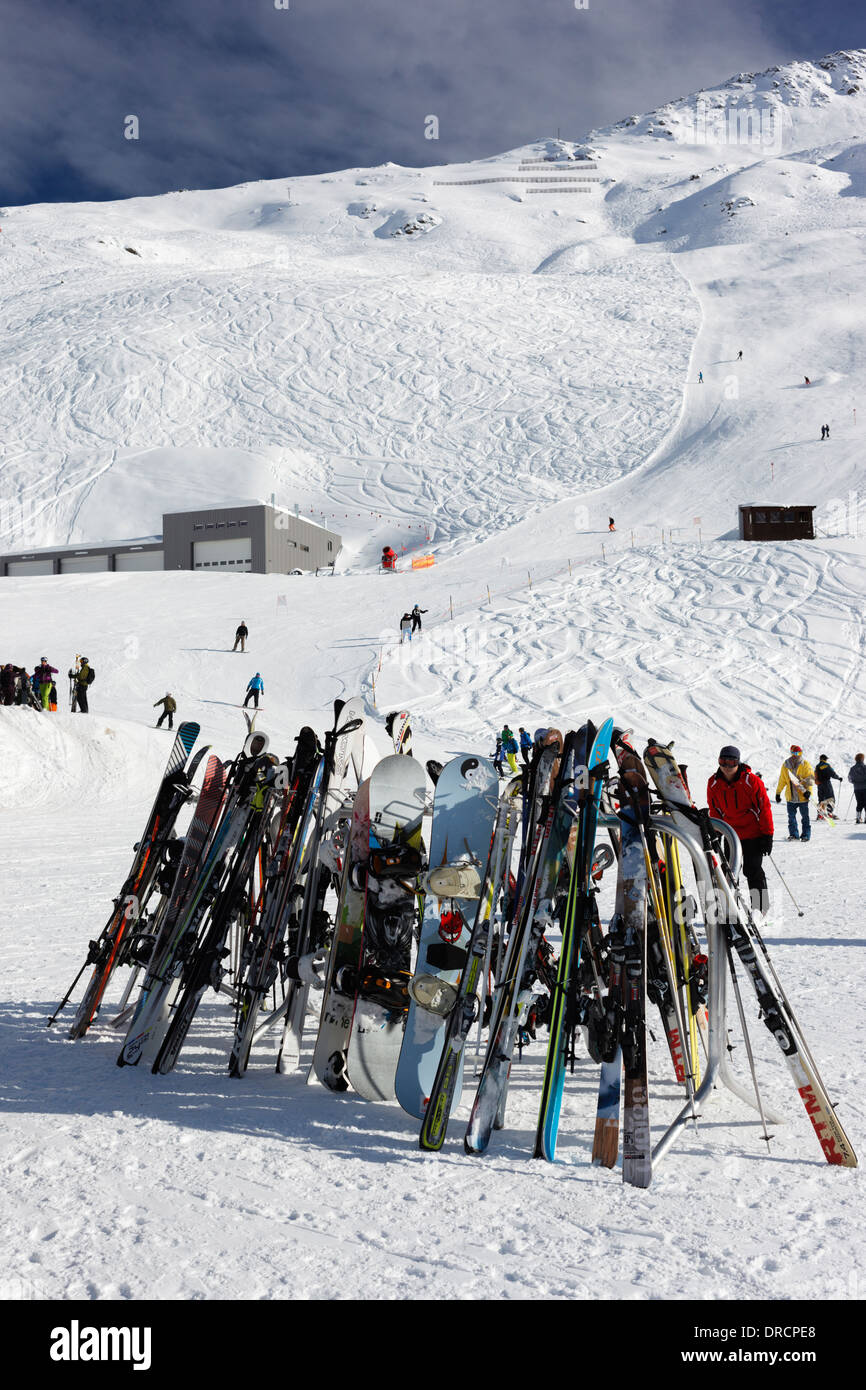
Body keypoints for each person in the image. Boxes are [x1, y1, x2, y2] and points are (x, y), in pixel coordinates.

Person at [707, 745, 774, 914]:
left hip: (753, 834)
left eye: (731, 762)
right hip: (731, 834)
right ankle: (730, 910)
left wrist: (767, 835)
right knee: (729, 872)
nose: (727, 767)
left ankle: (760, 909)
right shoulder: (713, 783)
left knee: (752, 870)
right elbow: (714, 809)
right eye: (723, 761)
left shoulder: (751, 781)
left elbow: (763, 808)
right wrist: (716, 831)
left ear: (738, 763)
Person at [775, 744, 814, 841]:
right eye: (795, 753)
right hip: (790, 797)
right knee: (791, 818)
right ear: (791, 753)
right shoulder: (786, 765)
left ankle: (805, 835)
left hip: (802, 797)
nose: (797, 755)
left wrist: (808, 792)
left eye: (799, 753)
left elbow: (810, 779)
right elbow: (782, 780)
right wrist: (778, 793)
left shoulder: (805, 764)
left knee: (805, 818)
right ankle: (794, 835)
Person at [849, 753, 866, 824]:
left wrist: (854, 782)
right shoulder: (865, 767)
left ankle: (858, 818)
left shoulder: (852, 768)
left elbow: (850, 779)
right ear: (862, 759)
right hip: (865, 788)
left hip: (857, 788)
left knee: (859, 803)